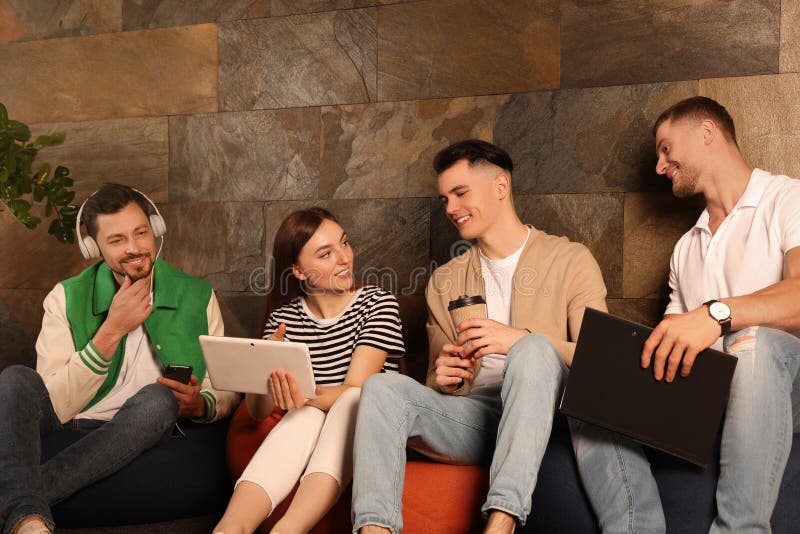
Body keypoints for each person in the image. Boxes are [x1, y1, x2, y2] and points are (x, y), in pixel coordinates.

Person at [351, 139, 608, 534]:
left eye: (460, 193)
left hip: (546, 413)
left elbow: (601, 361)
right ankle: (374, 529)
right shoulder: (444, 281)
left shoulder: (571, 259)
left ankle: (502, 523)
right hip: (476, 417)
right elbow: (437, 384)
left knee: (533, 350)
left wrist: (519, 339)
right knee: (382, 387)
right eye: (445, 199)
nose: (451, 208)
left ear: (501, 186)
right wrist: (445, 378)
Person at [571, 96, 800, 533]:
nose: (660, 166)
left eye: (666, 149)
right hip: (714, 396)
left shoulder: (787, 199)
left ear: (707, 133)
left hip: (787, 385)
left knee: (752, 343)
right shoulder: (685, 248)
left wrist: (716, 315)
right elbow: (672, 351)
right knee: (587, 388)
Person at [0, 183, 239, 534]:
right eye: (116, 240)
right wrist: (111, 331)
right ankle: (29, 521)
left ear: (155, 230)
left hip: (150, 424)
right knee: (14, 378)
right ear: (93, 247)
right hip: (76, 424)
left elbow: (225, 386)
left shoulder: (197, 295)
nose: (134, 248)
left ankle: (21, 504)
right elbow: (51, 399)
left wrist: (200, 404)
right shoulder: (64, 297)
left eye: (141, 233)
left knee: (160, 399)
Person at [214, 207, 405, 534]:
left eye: (344, 243)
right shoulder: (284, 319)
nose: (344, 258)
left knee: (349, 401)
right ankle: (230, 528)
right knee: (305, 416)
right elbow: (258, 412)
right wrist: (262, 368)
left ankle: (288, 529)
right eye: (326, 254)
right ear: (299, 271)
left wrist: (302, 397)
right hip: (308, 425)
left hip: (373, 424)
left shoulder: (378, 303)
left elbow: (357, 387)